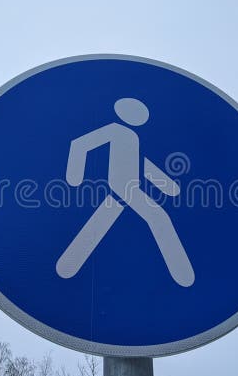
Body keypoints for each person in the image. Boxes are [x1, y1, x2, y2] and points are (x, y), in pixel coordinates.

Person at [56, 98, 195, 287]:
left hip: (127, 186)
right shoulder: (114, 129)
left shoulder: (132, 137)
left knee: (101, 220)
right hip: (122, 185)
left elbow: (141, 164)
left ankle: (67, 266)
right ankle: (183, 275)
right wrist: (74, 176)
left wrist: (168, 187)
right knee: (159, 217)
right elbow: (80, 144)